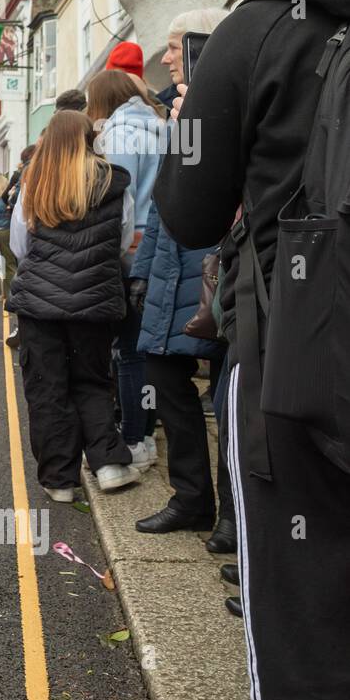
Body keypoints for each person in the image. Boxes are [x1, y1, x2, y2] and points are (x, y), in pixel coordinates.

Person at [154, 0, 350, 700]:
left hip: (294, 372)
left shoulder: (257, 27)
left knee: (302, 638)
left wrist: (190, 118)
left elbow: (187, 212)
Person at [7, 111, 142, 501]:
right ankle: (109, 464)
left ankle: (60, 479)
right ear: (89, 138)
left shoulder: (35, 179)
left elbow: (20, 244)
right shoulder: (114, 182)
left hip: (39, 303)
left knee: (47, 386)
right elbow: (122, 241)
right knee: (93, 380)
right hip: (95, 300)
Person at [128, 201, 232, 540]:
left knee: (230, 402)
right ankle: (192, 501)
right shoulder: (173, 148)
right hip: (169, 273)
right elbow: (161, 208)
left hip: (226, 269)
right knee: (162, 377)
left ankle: (233, 515)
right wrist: (142, 271)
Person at [88, 68, 165, 471]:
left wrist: (117, 247)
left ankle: (134, 439)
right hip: (159, 242)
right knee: (145, 349)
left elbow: (120, 194)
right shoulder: (158, 127)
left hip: (131, 247)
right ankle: (145, 434)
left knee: (128, 351)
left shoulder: (118, 133)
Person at [157, 9, 229, 107]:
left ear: (203, 48)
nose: (164, 60)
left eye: (174, 47)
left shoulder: (240, 101)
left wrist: (192, 115)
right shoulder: (168, 104)